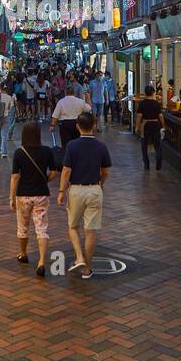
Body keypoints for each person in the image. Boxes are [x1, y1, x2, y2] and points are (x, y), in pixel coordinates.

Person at [58, 112, 111, 278]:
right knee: (91, 231)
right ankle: (87, 269)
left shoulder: (72, 146)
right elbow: (105, 171)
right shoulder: (101, 147)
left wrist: (61, 191)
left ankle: (79, 257)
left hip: (77, 190)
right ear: (94, 126)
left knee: (73, 227)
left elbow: (66, 170)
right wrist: (100, 183)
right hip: (95, 190)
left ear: (77, 127)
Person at [10, 121, 59, 277]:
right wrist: (45, 180)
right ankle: (42, 261)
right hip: (41, 194)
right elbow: (54, 172)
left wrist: (11, 197)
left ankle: (23, 253)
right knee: (42, 229)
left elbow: (15, 177)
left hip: (23, 194)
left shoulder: (19, 152)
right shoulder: (47, 151)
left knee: (23, 227)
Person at [51, 87, 92, 153]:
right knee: (77, 143)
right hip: (77, 124)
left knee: (65, 144)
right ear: (74, 93)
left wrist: (52, 125)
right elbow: (89, 109)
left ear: (65, 92)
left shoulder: (61, 102)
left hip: (64, 125)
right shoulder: (80, 101)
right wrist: (88, 98)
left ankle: (66, 159)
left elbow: (55, 115)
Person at [135, 86, 164, 171]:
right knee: (157, 145)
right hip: (155, 124)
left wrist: (137, 127)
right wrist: (163, 125)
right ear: (153, 93)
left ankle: (146, 165)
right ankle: (159, 159)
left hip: (145, 125)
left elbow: (139, 116)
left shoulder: (142, 103)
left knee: (144, 146)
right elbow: (161, 116)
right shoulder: (156, 103)